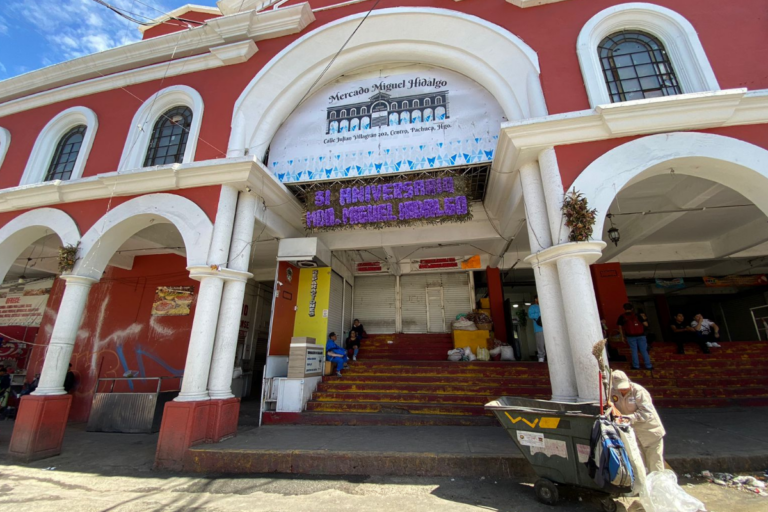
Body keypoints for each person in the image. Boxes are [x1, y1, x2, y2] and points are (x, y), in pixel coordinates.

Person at [609, 370, 666, 474]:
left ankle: (658, 488)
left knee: (655, 465)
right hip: (633, 433)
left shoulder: (639, 391)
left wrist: (627, 418)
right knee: (640, 467)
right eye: (620, 388)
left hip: (650, 432)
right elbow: (611, 406)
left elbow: (646, 412)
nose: (623, 390)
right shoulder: (613, 392)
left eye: (625, 388)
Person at [617, 303, 653, 370]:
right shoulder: (637, 315)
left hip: (630, 336)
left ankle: (636, 366)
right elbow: (646, 324)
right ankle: (648, 366)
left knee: (634, 350)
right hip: (641, 335)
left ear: (624, 309)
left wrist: (622, 336)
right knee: (644, 350)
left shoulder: (622, 316)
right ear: (632, 309)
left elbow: (620, 327)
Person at [527, 296, 545, 362]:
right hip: (539, 328)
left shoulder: (546, 305)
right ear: (535, 299)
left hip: (549, 328)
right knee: (540, 343)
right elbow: (530, 315)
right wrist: (540, 314)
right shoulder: (532, 307)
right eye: (537, 298)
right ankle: (541, 356)